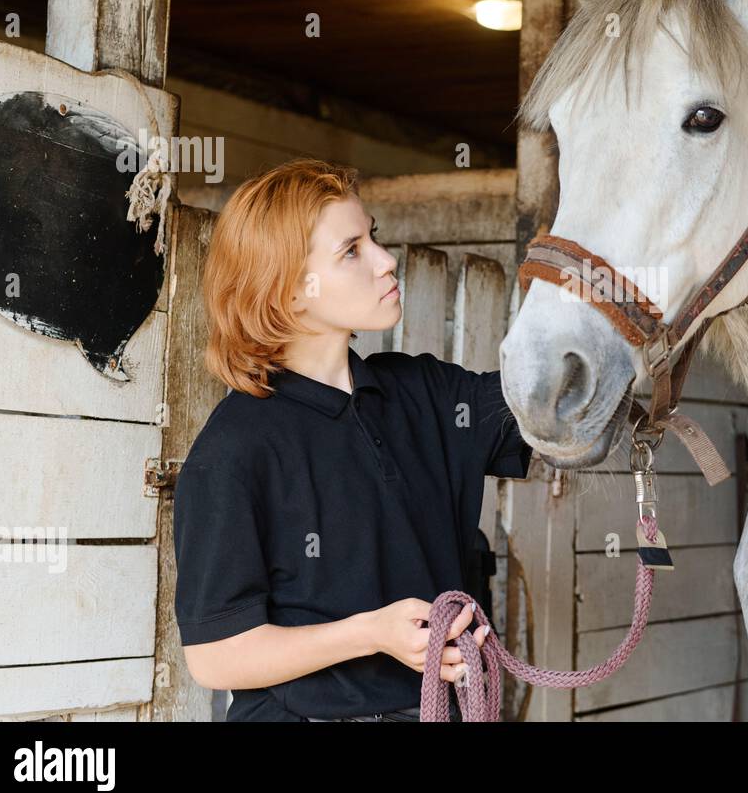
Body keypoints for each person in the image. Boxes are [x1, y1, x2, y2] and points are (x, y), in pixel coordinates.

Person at [172, 158, 534, 721]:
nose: (387, 261)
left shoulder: (424, 394)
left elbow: (547, 403)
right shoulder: (232, 451)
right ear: (288, 291)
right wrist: (370, 634)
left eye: (374, 238)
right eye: (351, 250)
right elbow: (216, 656)